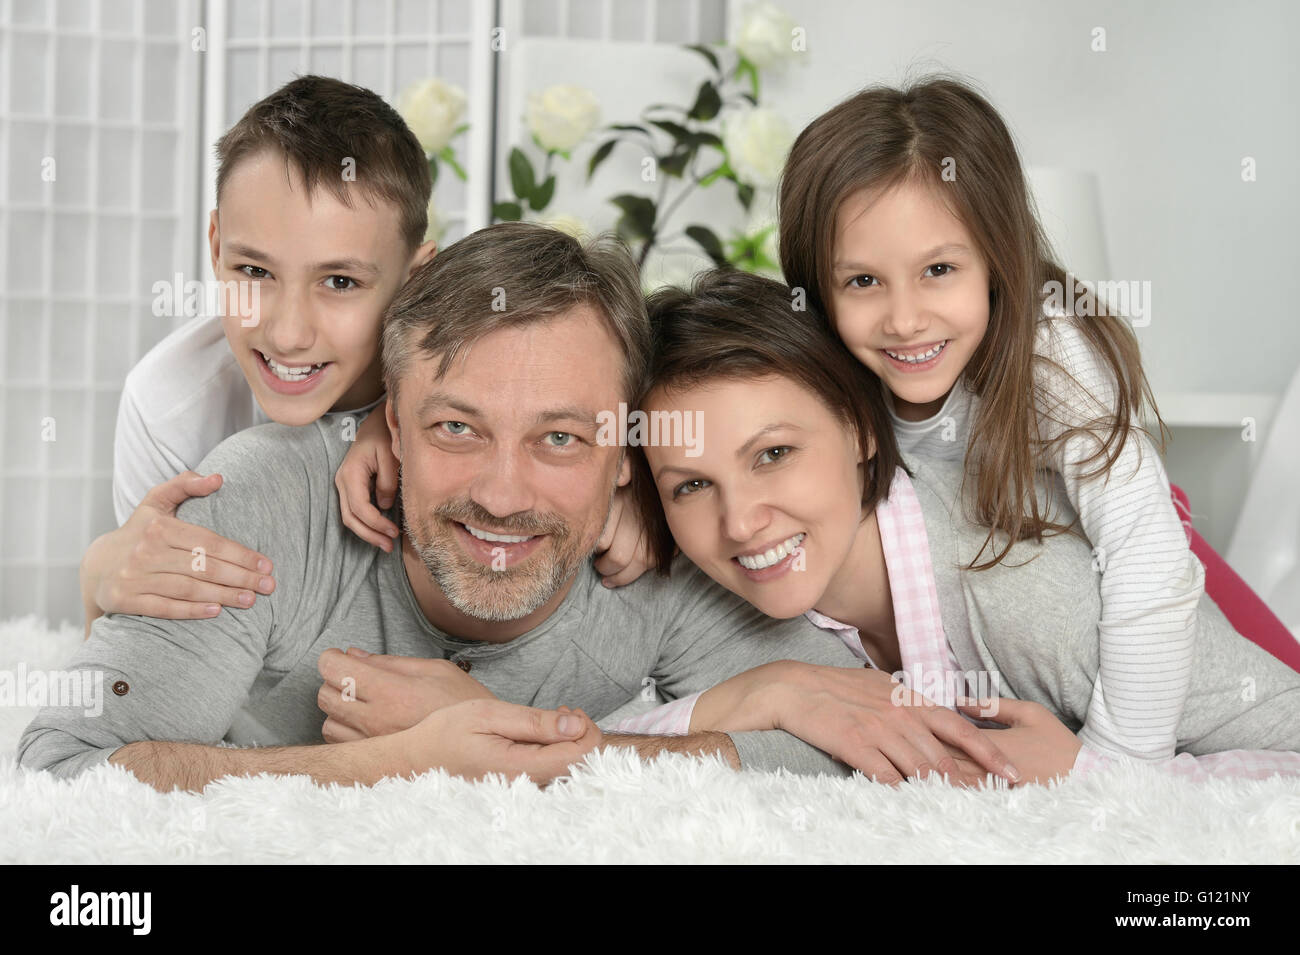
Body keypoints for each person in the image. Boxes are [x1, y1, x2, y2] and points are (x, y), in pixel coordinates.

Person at [19, 224, 1019, 791]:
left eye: (560, 438)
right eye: (456, 428)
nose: (504, 494)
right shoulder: (261, 503)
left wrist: (525, 745)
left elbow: (831, 737)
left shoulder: (678, 542)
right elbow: (65, 770)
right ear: (389, 427)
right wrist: (405, 762)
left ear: (627, 452)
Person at [627, 269, 1300, 784]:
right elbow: (581, 736)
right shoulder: (706, 587)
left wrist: (1096, 775)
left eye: (774, 454)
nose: (741, 522)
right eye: (690, 484)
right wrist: (759, 695)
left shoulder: (1039, 601)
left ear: (861, 427)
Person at [79, 75, 648, 640]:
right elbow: (136, 642)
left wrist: (630, 495)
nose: (288, 333)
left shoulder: (478, 367)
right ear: (215, 246)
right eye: (254, 272)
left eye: (340, 281)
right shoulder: (166, 404)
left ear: (415, 276)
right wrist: (98, 573)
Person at [777, 76, 1214, 771]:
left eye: (939, 269)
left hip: (1158, 547)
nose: (905, 318)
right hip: (1046, 572)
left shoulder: (1049, 351)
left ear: (995, 263)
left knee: (1259, 695)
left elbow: (1147, 553)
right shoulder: (823, 367)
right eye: (862, 281)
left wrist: (1117, 767)